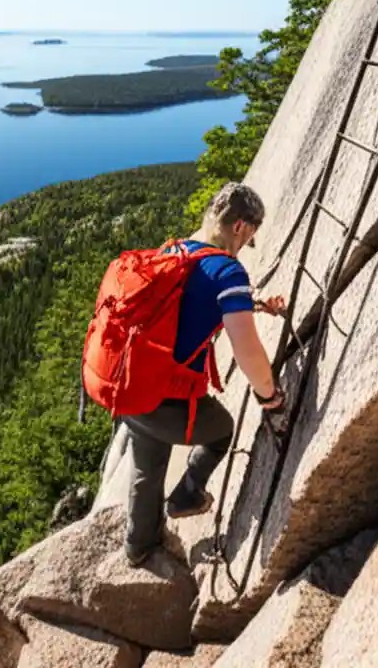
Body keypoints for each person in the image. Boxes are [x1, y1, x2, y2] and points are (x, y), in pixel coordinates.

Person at [119, 181, 285, 567]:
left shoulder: (173, 252)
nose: (245, 247)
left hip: (132, 391)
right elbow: (248, 350)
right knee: (222, 429)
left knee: (147, 469)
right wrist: (270, 397)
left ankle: (138, 547)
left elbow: (190, 302)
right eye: (250, 238)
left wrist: (254, 303)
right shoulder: (227, 269)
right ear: (241, 227)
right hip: (165, 400)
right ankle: (186, 497)